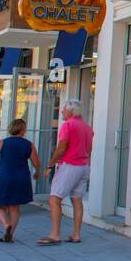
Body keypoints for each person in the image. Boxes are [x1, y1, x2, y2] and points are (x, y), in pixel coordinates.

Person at [41, 100, 92, 245]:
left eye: (64, 110)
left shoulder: (68, 125)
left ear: (71, 111)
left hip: (70, 165)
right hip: (84, 165)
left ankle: (55, 234)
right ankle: (76, 234)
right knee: (77, 200)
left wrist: (50, 164)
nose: (62, 112)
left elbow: (61, 148)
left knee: (54, 198)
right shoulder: (87, 127)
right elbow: (89, 149)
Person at [0, 118, 40, 243]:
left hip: (5, 176)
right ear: (23, 130)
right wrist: (37, 172)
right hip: (21, 177)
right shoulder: (29, 145)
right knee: (14, 207)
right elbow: (36, 163)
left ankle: (6, 225)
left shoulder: (3, 143)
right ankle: (10, 235)